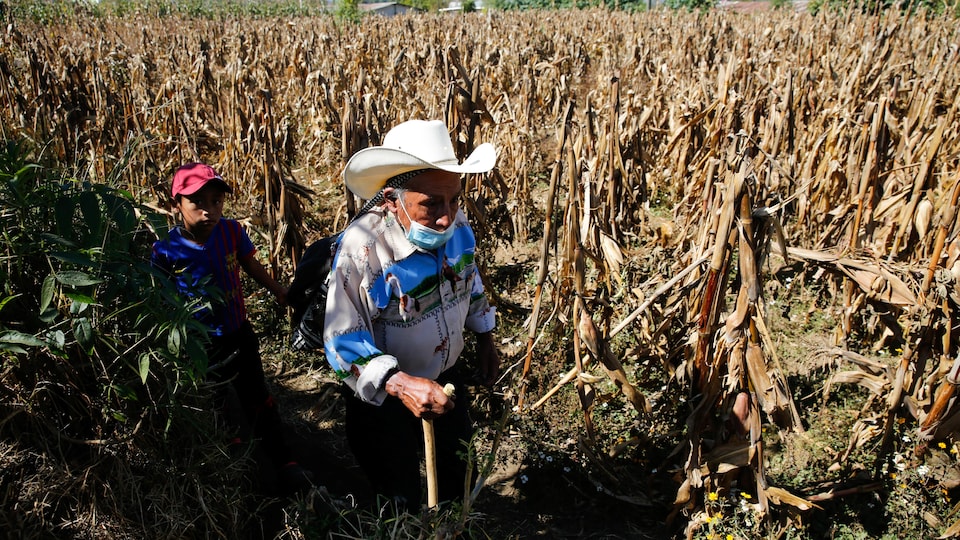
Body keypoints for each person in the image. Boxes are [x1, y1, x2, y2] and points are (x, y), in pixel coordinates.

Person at [323, 119, 501, 510]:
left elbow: (470, 280)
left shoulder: (457, 229)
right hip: (387, 400)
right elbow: (341, 340)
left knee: (458, 481)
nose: (445, 216)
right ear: (391, 200)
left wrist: (485, 336)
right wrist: (401, 384)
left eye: (454, 199)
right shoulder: (365, 248)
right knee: (399, 499)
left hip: (446, 383)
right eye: (431, 204)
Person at [151, 162, 312, 496]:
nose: (210, 211)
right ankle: (235, 468)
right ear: (175, 205)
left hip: (239, 332)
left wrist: (278, 290)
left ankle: (283, 461)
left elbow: (250, 264)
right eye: (198, 203)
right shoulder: (166, 251)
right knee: (216, 400)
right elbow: (159, 295)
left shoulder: (231, 231)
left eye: (216, 201)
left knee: (258, 395)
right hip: (200, 343)